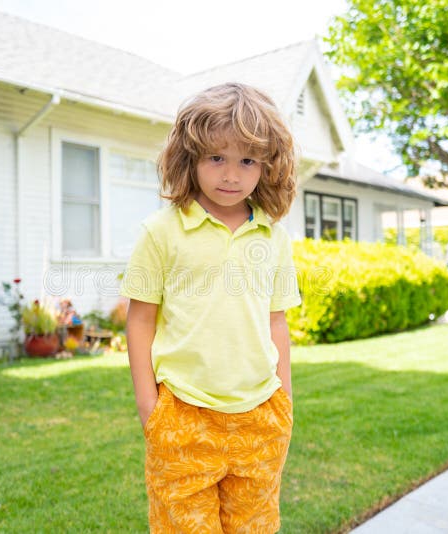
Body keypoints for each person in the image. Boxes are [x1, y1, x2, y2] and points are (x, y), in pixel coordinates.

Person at [120, 82, 301, 533]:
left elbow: (277, 322)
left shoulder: (274, 239)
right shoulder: (160, 232)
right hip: (182, 414)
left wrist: (285, 402)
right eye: (216, 157)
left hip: (261, 414)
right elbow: (140, 320)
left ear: (267, 165)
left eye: (247, 160)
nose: (231, 175)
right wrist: (150, 407)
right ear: (191, 158)